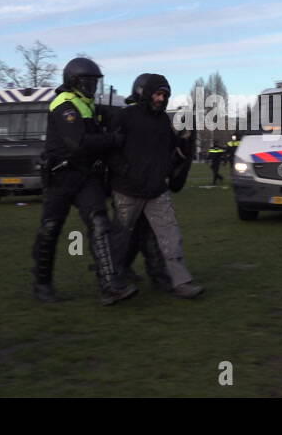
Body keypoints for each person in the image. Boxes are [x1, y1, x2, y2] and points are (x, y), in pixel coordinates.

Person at [29, 57, 137, 305]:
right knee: (51, 228)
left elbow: (109, 115)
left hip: (85, 175)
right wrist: (114, 140)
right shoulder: (64, 104)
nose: (92, 86)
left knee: (100, 223)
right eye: (87, 81)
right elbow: (78, 144)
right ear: (73, 82)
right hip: (61, 176)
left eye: (94, 82)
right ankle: (42, 283)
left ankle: (110, 285)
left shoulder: (86, 103)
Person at [107, 73, 204, 299]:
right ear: (146, 93)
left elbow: (170, 153)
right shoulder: (125, 117)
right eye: (158, 94)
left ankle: (181, 281)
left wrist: (183, 146)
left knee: (170, 236)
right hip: (127, 191)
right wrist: (125, 172)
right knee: (120, 239)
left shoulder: (163, 122)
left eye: (165, 95)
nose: (161, 99)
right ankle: (112, 282)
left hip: (156, 191)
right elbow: (111, 150)